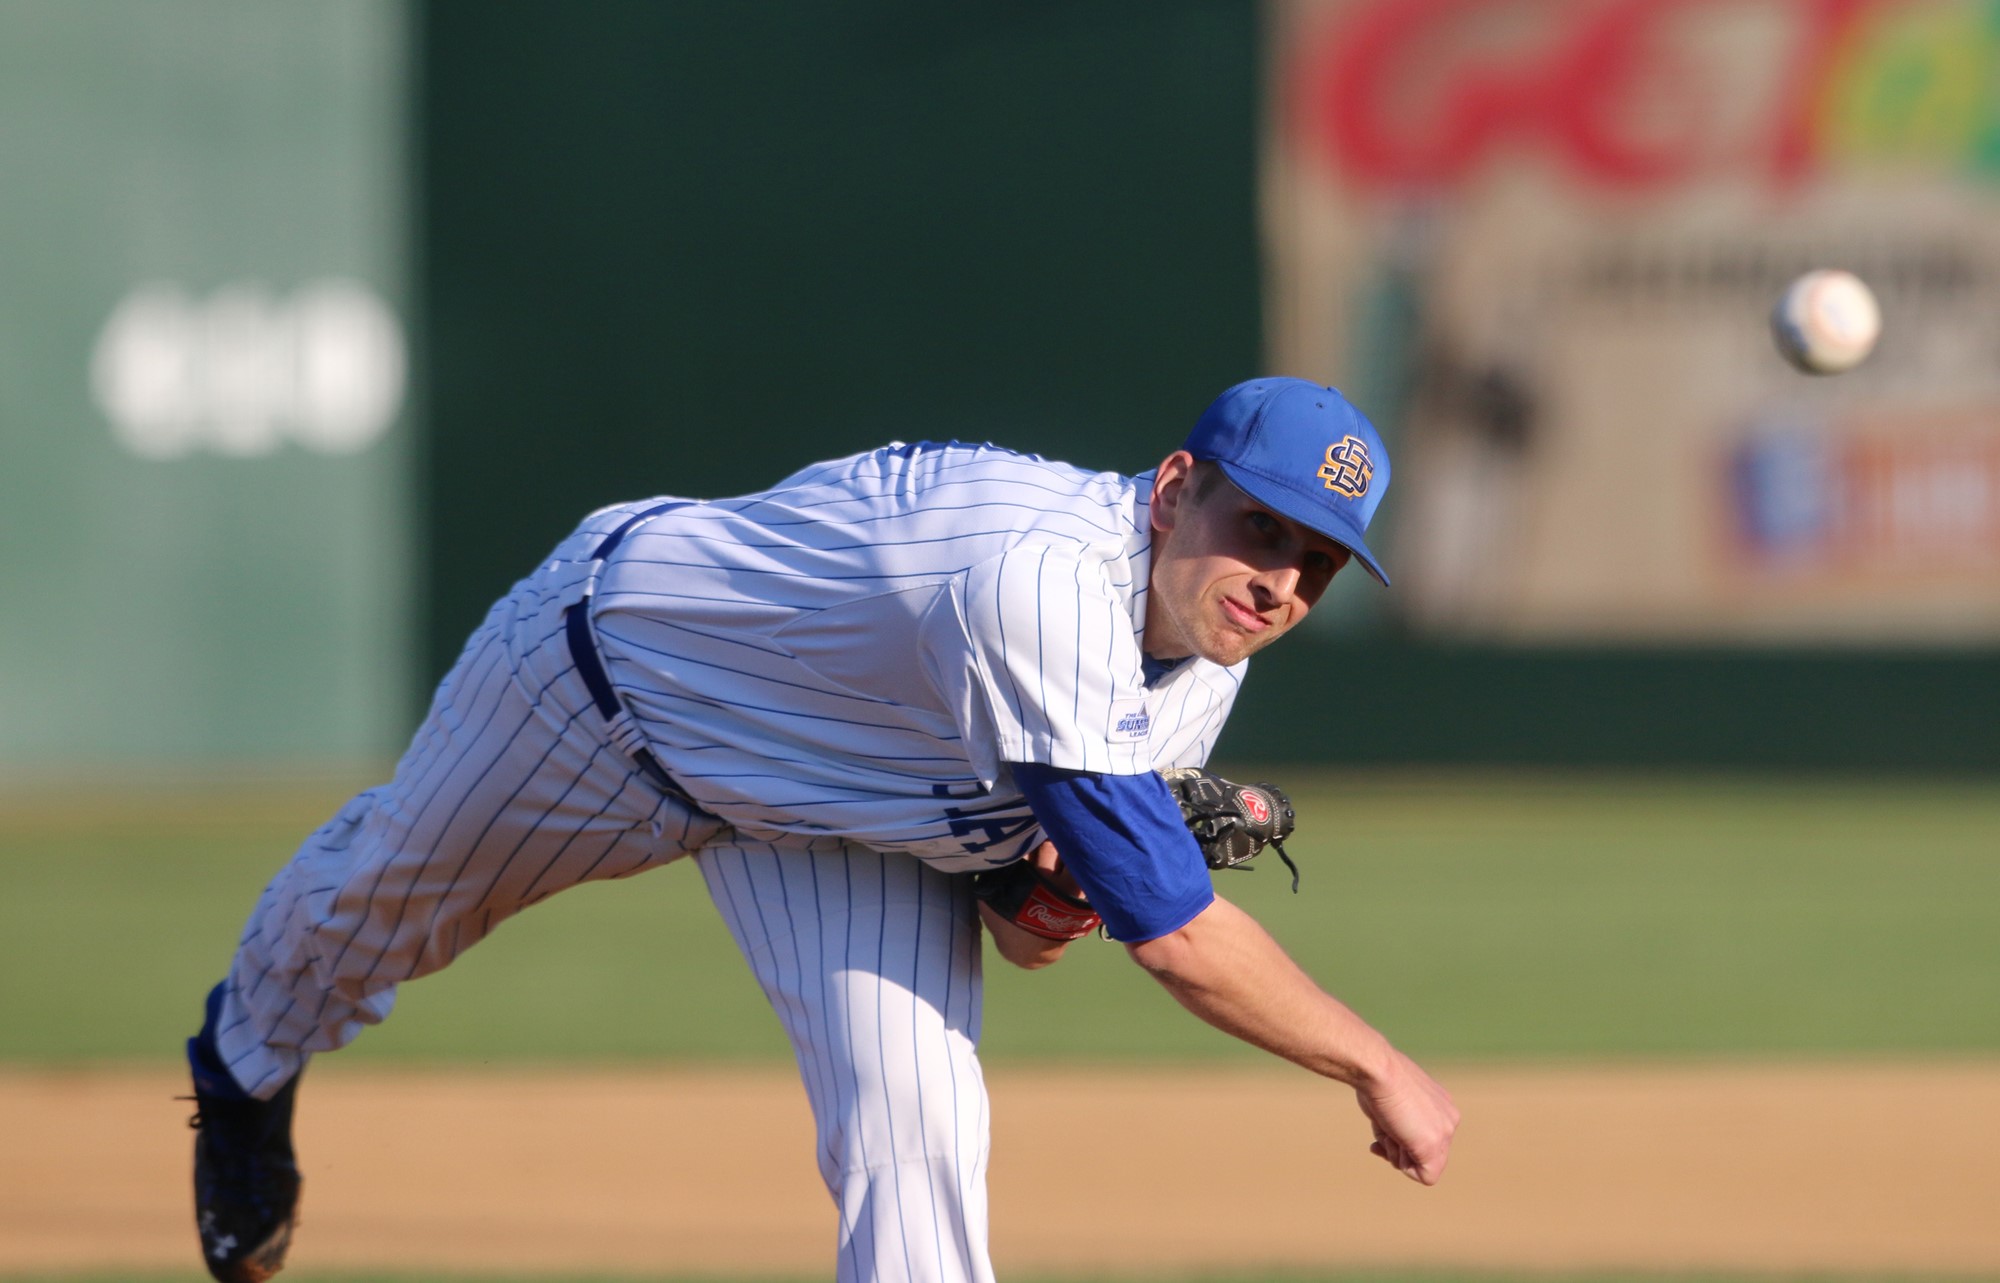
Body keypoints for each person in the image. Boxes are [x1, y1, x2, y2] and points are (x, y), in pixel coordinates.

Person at [184, 376, 1460, 1283]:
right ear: (1175, 489)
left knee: (918, 1130)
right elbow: (1175, 938)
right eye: (1259, 528)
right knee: (372, 914)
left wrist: (1062, 883)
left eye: (1316, 562)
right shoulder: (1041, 576)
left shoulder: (1201, 661)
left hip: (841, 818)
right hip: (603, 690)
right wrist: (1374, 1061)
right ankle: (243, 1066)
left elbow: (1025, 929)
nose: (1278, 580)